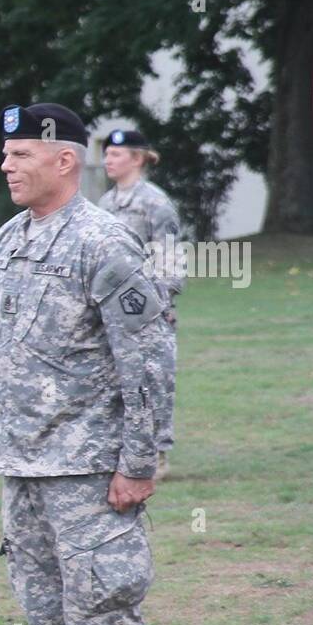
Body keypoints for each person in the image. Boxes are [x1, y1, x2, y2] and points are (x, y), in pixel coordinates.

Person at [0, 103, 175, 625]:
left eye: (22, 152)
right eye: (6, 153)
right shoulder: (9, 239)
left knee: (103, 609)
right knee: (51, 616)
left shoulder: (104, 240)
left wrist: (138, 460)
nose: (8, 165)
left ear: (65, 160)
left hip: (92, 467)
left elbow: (147, 358)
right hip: (25, 464)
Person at [97, 128, 184, 478]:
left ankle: (158, 452)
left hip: (147, 309)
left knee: (153, 380)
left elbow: (169, 257)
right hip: (108, 308)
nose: (108, 160)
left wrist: (161, 305)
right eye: (106, 154)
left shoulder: (156, 203)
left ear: (137, 158)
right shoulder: (105, 205)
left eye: (116, 154)